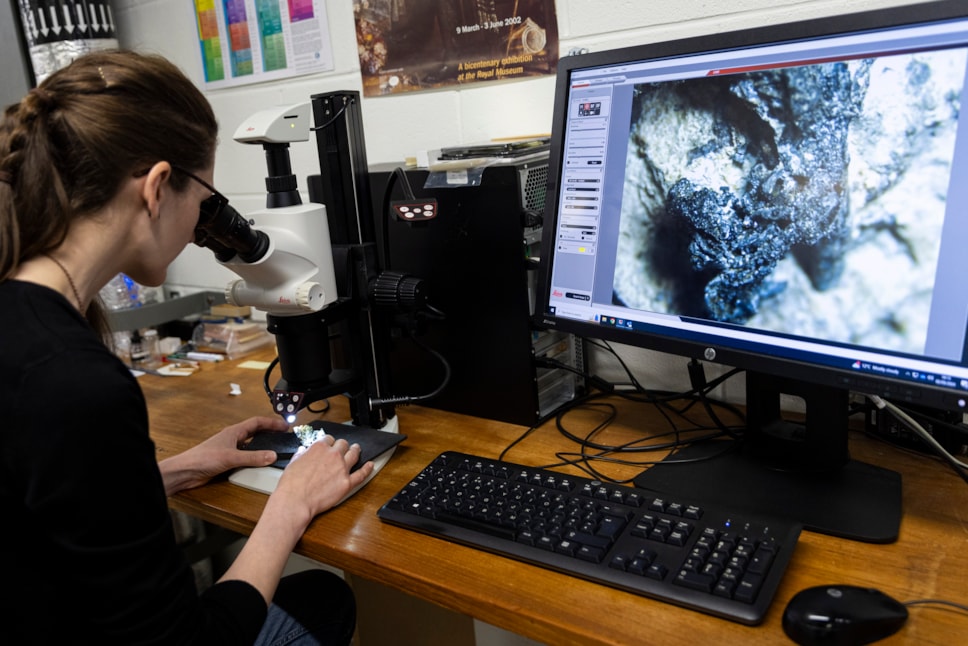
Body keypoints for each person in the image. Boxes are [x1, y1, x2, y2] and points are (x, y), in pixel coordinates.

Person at [0, 50, 374, 644]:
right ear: (155, 189)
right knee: (323, 597)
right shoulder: (76, 384)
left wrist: (169, 471)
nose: (204, 225)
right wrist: (290, 506)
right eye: (203, 201)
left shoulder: (21, 320)